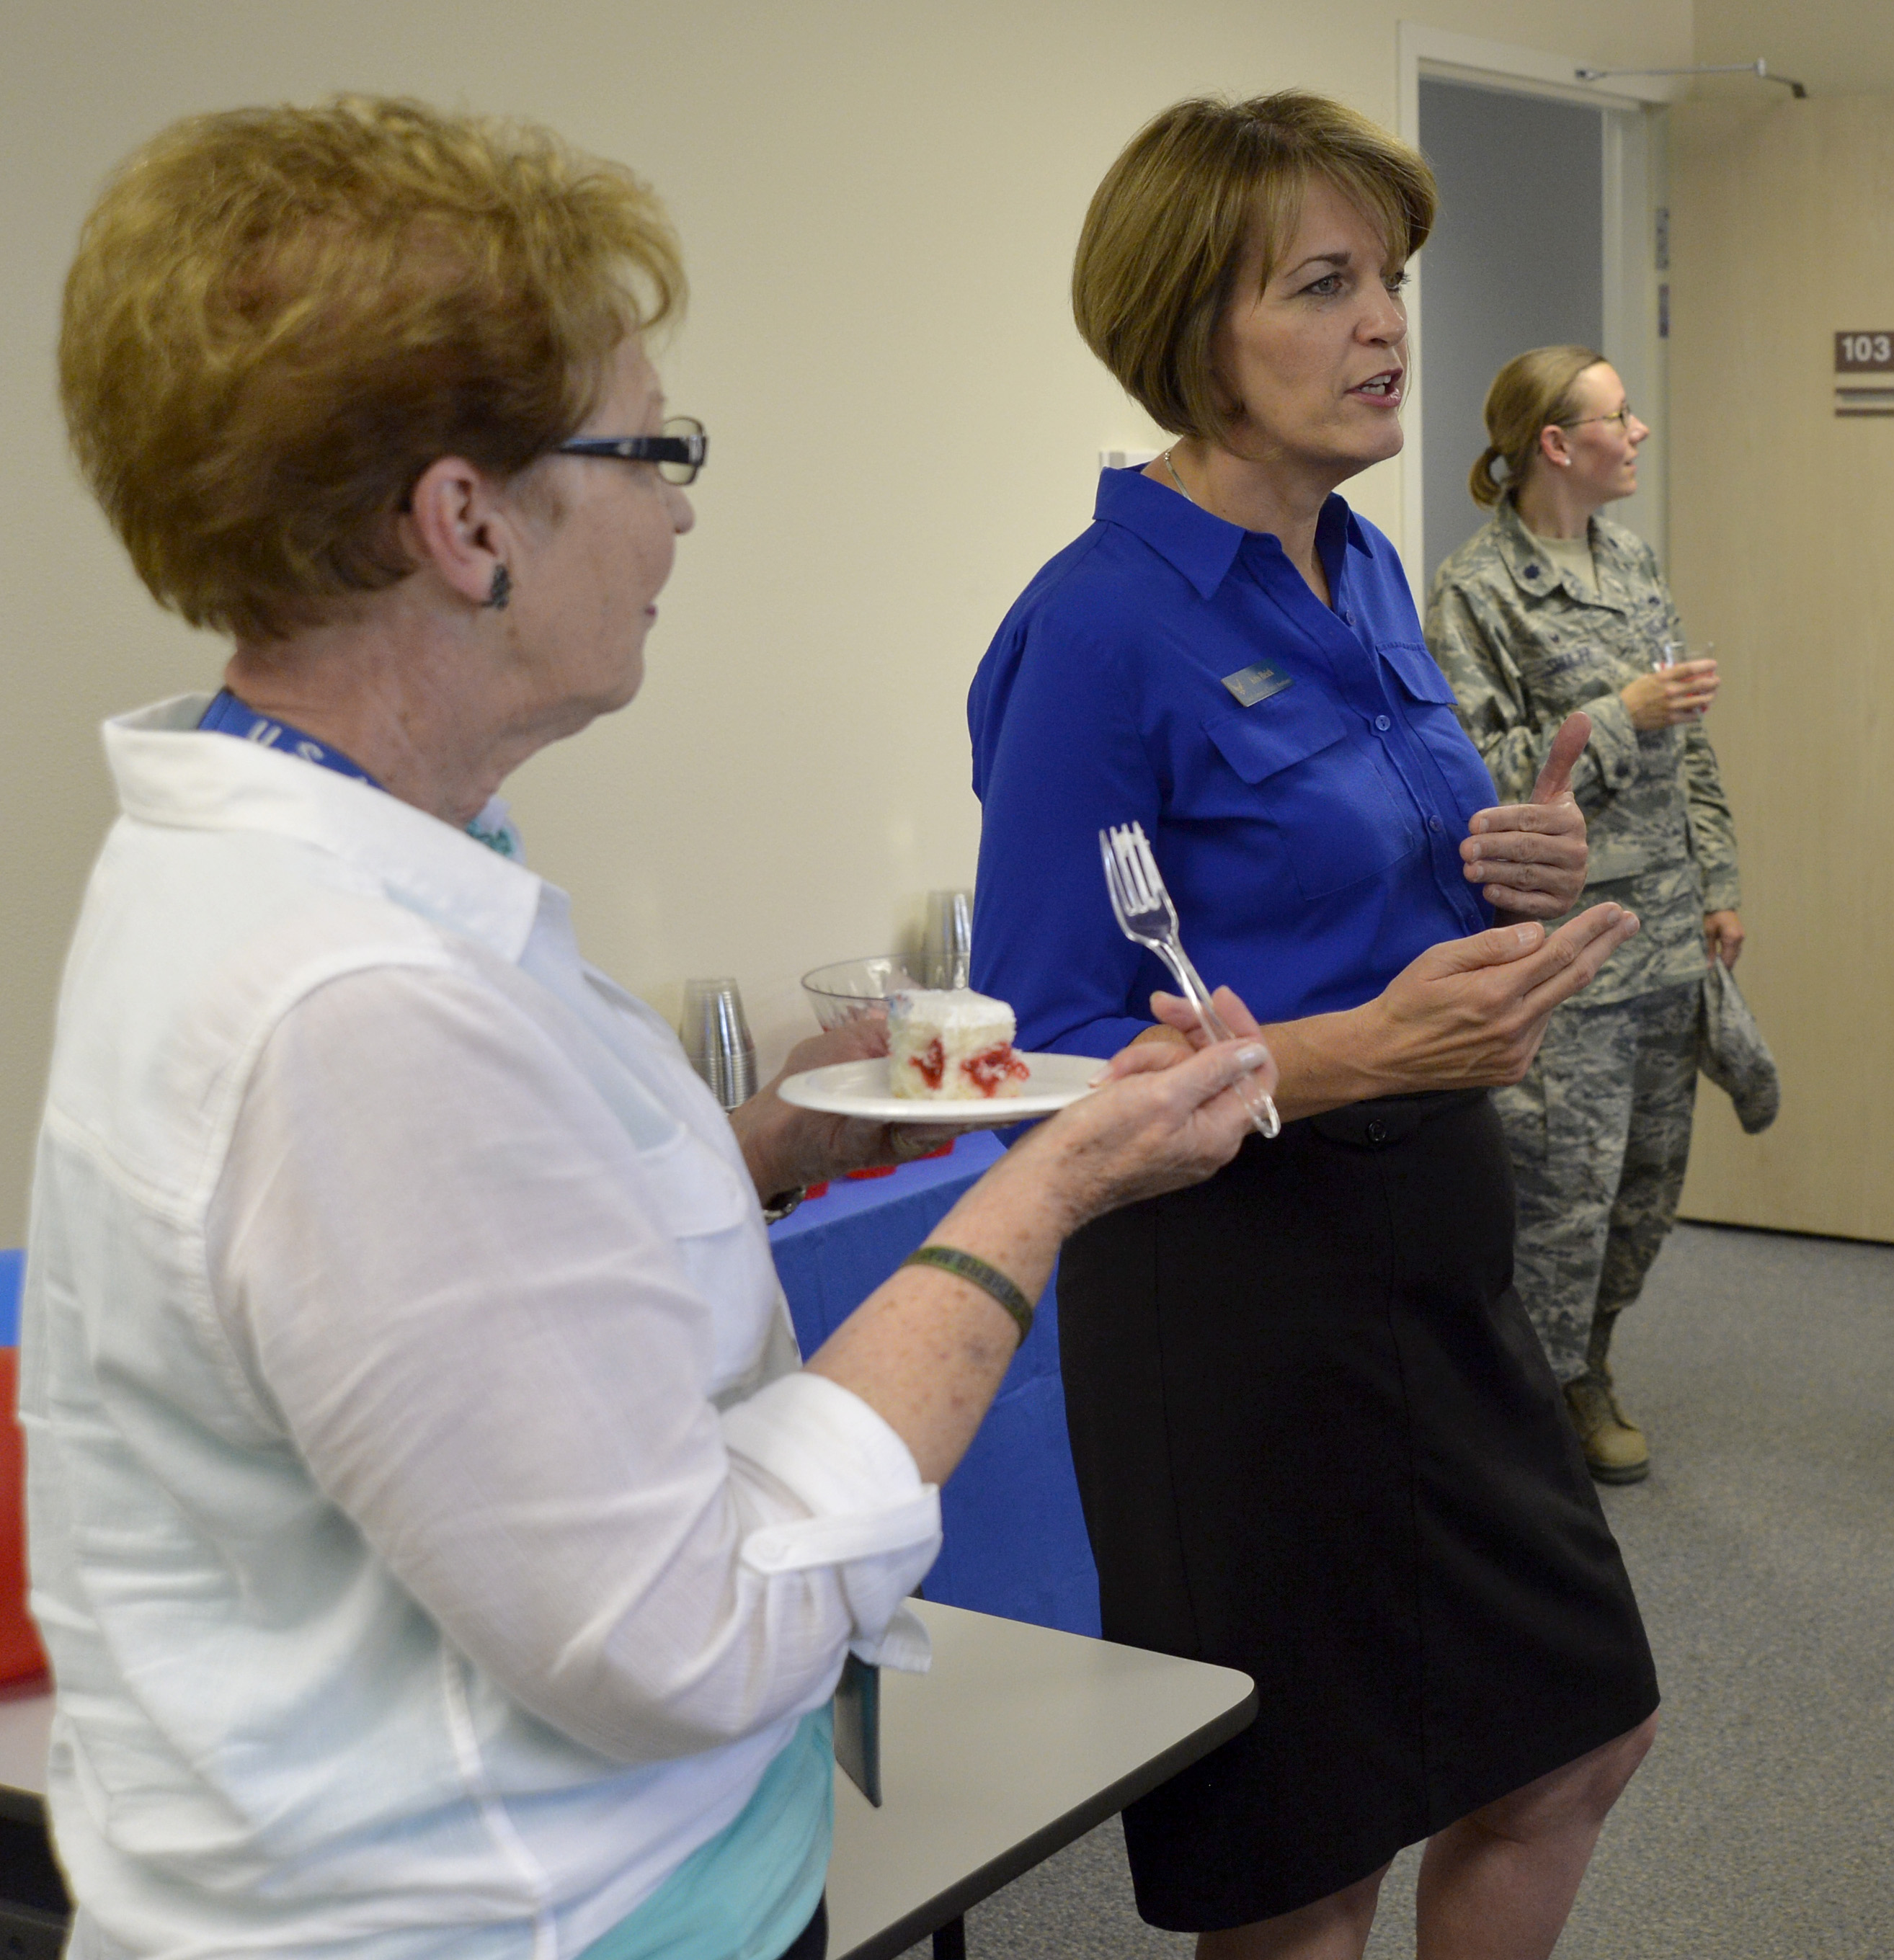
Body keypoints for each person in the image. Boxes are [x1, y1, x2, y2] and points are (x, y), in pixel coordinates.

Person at [30, 96, 1273, 1960]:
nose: (681, 502)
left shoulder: (367, 861)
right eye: (649, 446)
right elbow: (678, 1629)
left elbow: (493, 1278)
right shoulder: (346, 1003)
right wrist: (1045, 1191)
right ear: (466, 524)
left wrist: (779, 1141)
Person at [964, 93, 1660, 1958]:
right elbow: (1047, 1054)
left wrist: (1502, 852)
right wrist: (1369, 1049)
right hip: (1232, 1300)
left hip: (1427, 1247)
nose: (1387, 325)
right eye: (1325, 283)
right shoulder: (1100, 627)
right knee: (1303, 1860)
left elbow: (1348, 882)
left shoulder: (1353, 566)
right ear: (1197, 326)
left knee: (1578, 1736)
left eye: (1396, 279)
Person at [1426, 344, 1740, 1484]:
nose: (1641, 431)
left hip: (1666, 934)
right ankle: (1535, 1404)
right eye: (1620, 416)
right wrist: (1619, 712)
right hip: (1568, 949)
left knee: (1646, 1191)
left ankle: (1589, 1366)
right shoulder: (1477, 590)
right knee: (1561, 1197)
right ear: (1558, 444)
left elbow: (1688, 741)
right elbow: (1480, 780)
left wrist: (1721, 881)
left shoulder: (1634, 561)